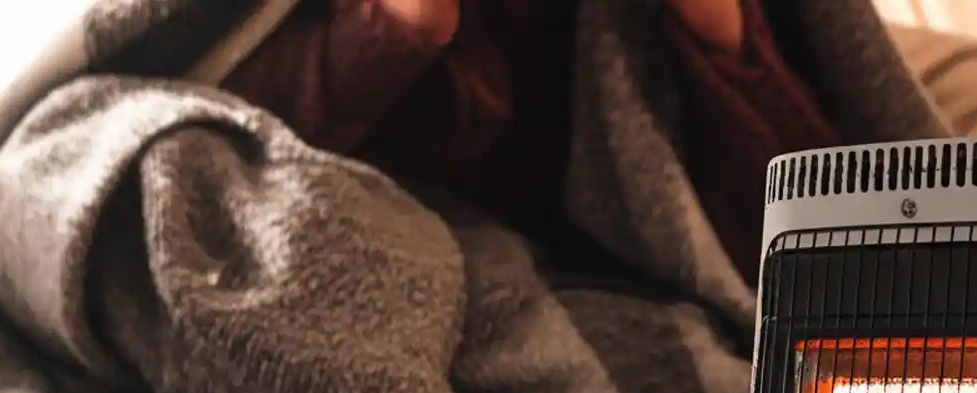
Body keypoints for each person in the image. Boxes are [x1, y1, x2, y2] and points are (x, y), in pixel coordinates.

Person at [222, 0, 844, 283]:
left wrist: (720, 36)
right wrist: (396, 31)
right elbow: (202, 150)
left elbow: (836, 246)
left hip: (606, 294)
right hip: (414, 270)